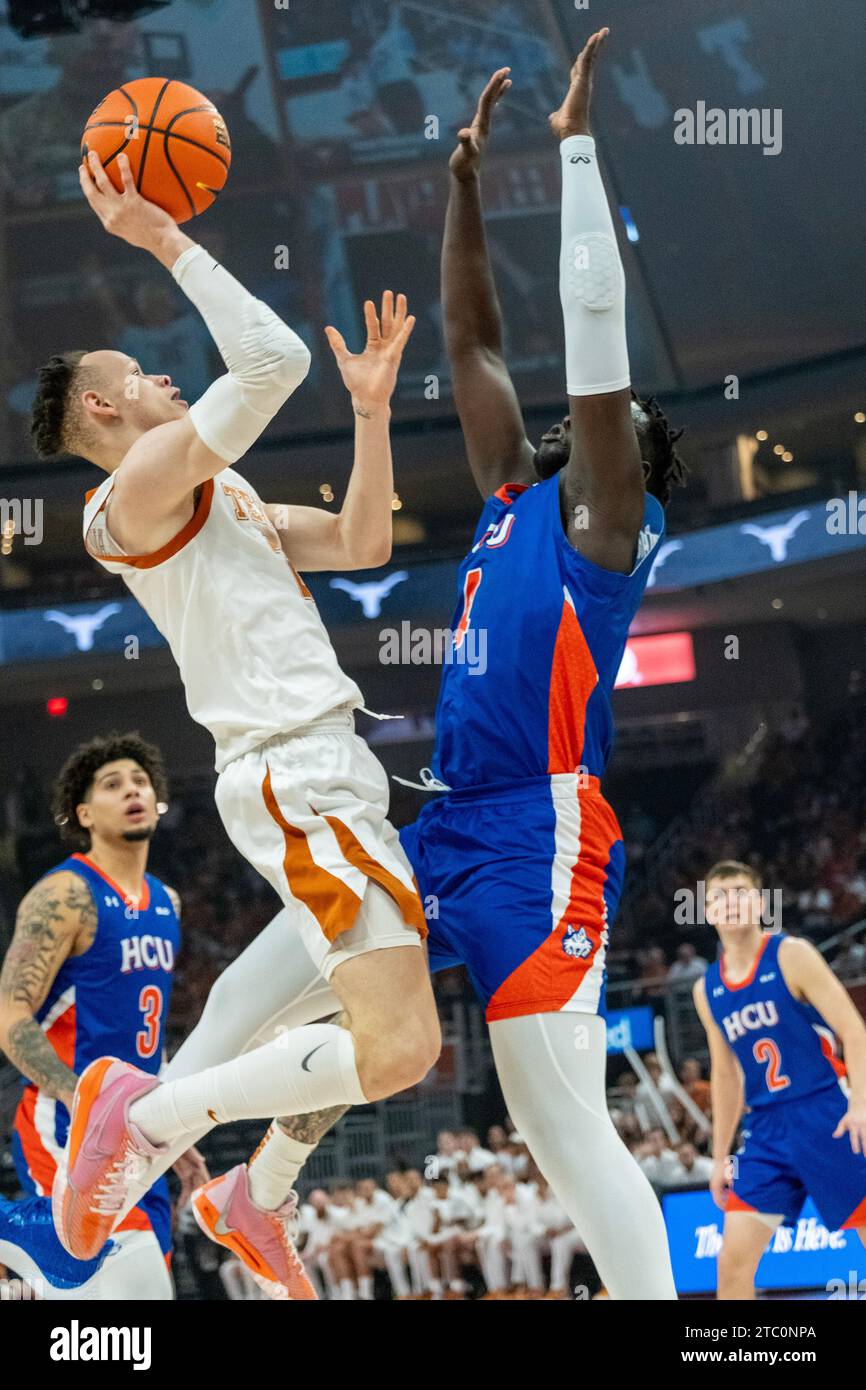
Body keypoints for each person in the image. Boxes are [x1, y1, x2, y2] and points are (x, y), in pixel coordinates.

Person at [82, 29, 683, 1302]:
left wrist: (574, 150)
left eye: (614, 418)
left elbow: (587, 322)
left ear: (633, 456)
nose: (595, 414)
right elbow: (472, 350)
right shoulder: (517, 492)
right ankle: (234, 1178)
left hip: (543, 838)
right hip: (447, 812)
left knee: (561, 1129)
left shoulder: (603, 529)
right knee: (303, 971)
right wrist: (458, 186)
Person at [29, 148, 439, 1293]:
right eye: (146, 373)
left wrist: (367, 418)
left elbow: (362, 542)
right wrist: (162, 236)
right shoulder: (126, 500)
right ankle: (154, 1115)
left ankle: (240, 1188)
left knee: (336, 1012)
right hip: (293, 772)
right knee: (401, 1048)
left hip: (322, 767)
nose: (169, 378)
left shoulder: (223, 493)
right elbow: (269, 358)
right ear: (103, 408)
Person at [0, 734, 205, 1299]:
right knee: (131, 1294)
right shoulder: (66, 894)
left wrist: (173, 1128)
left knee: (135, 1295)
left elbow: (146, 1038)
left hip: (141, 1128)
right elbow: (10, 1013)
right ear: (84, 813)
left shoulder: (168, 900)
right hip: (67, 1125)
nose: (132, 791)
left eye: (140, 782)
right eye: (112, 785)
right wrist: (75, 1096)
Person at [693, 859, 866, 1300]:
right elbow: (727, 1074)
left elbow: (854, 1030)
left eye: (740, 893)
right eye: (719, 897)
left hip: (826, 1112)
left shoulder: (791, 954)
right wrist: (718, 1157)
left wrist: (861, 1103)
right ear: (707, 911)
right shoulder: (706, 988)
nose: (730, 903)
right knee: (732, 1265)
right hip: (766, 1131)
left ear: (759, 903)